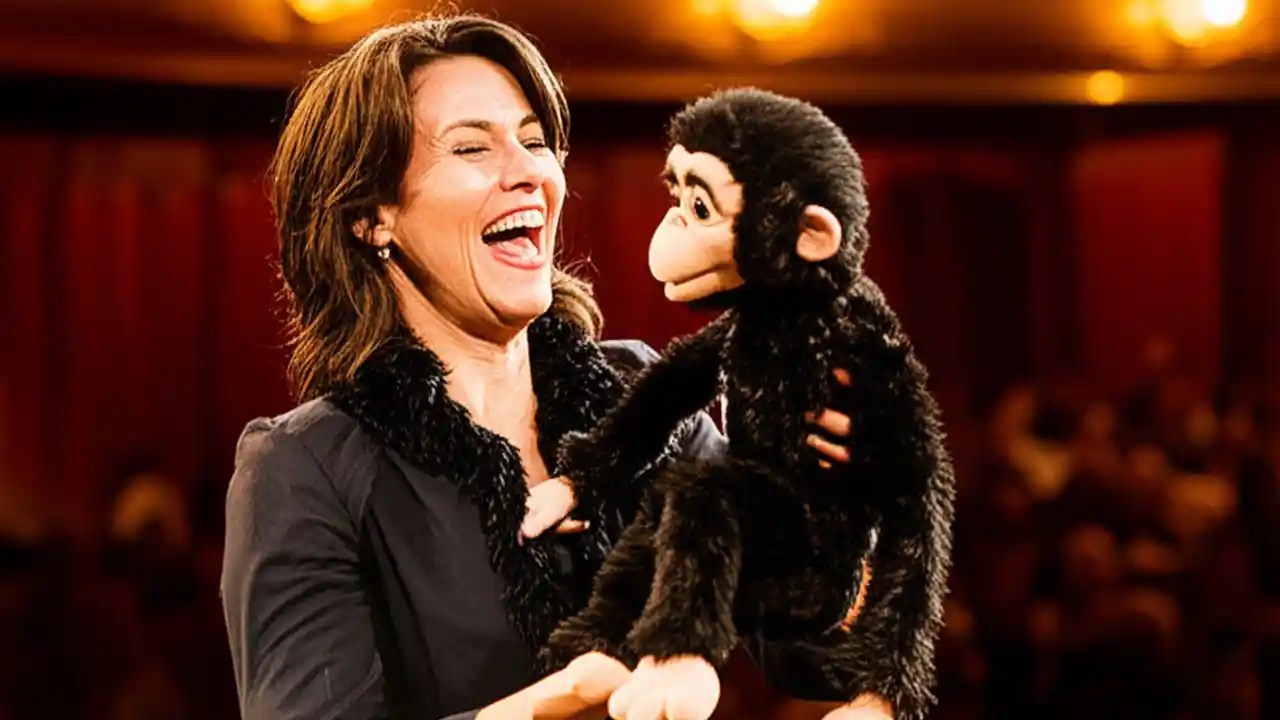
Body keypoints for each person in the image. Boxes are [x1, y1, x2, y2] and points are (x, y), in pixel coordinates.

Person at [219, 13, 886, 720]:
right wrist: (561, 701)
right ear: (372, 216)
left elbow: (812, 644)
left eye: (536, 141)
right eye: (472, 147)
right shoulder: (304, 466)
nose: (530, 172)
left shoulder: (640, 396)